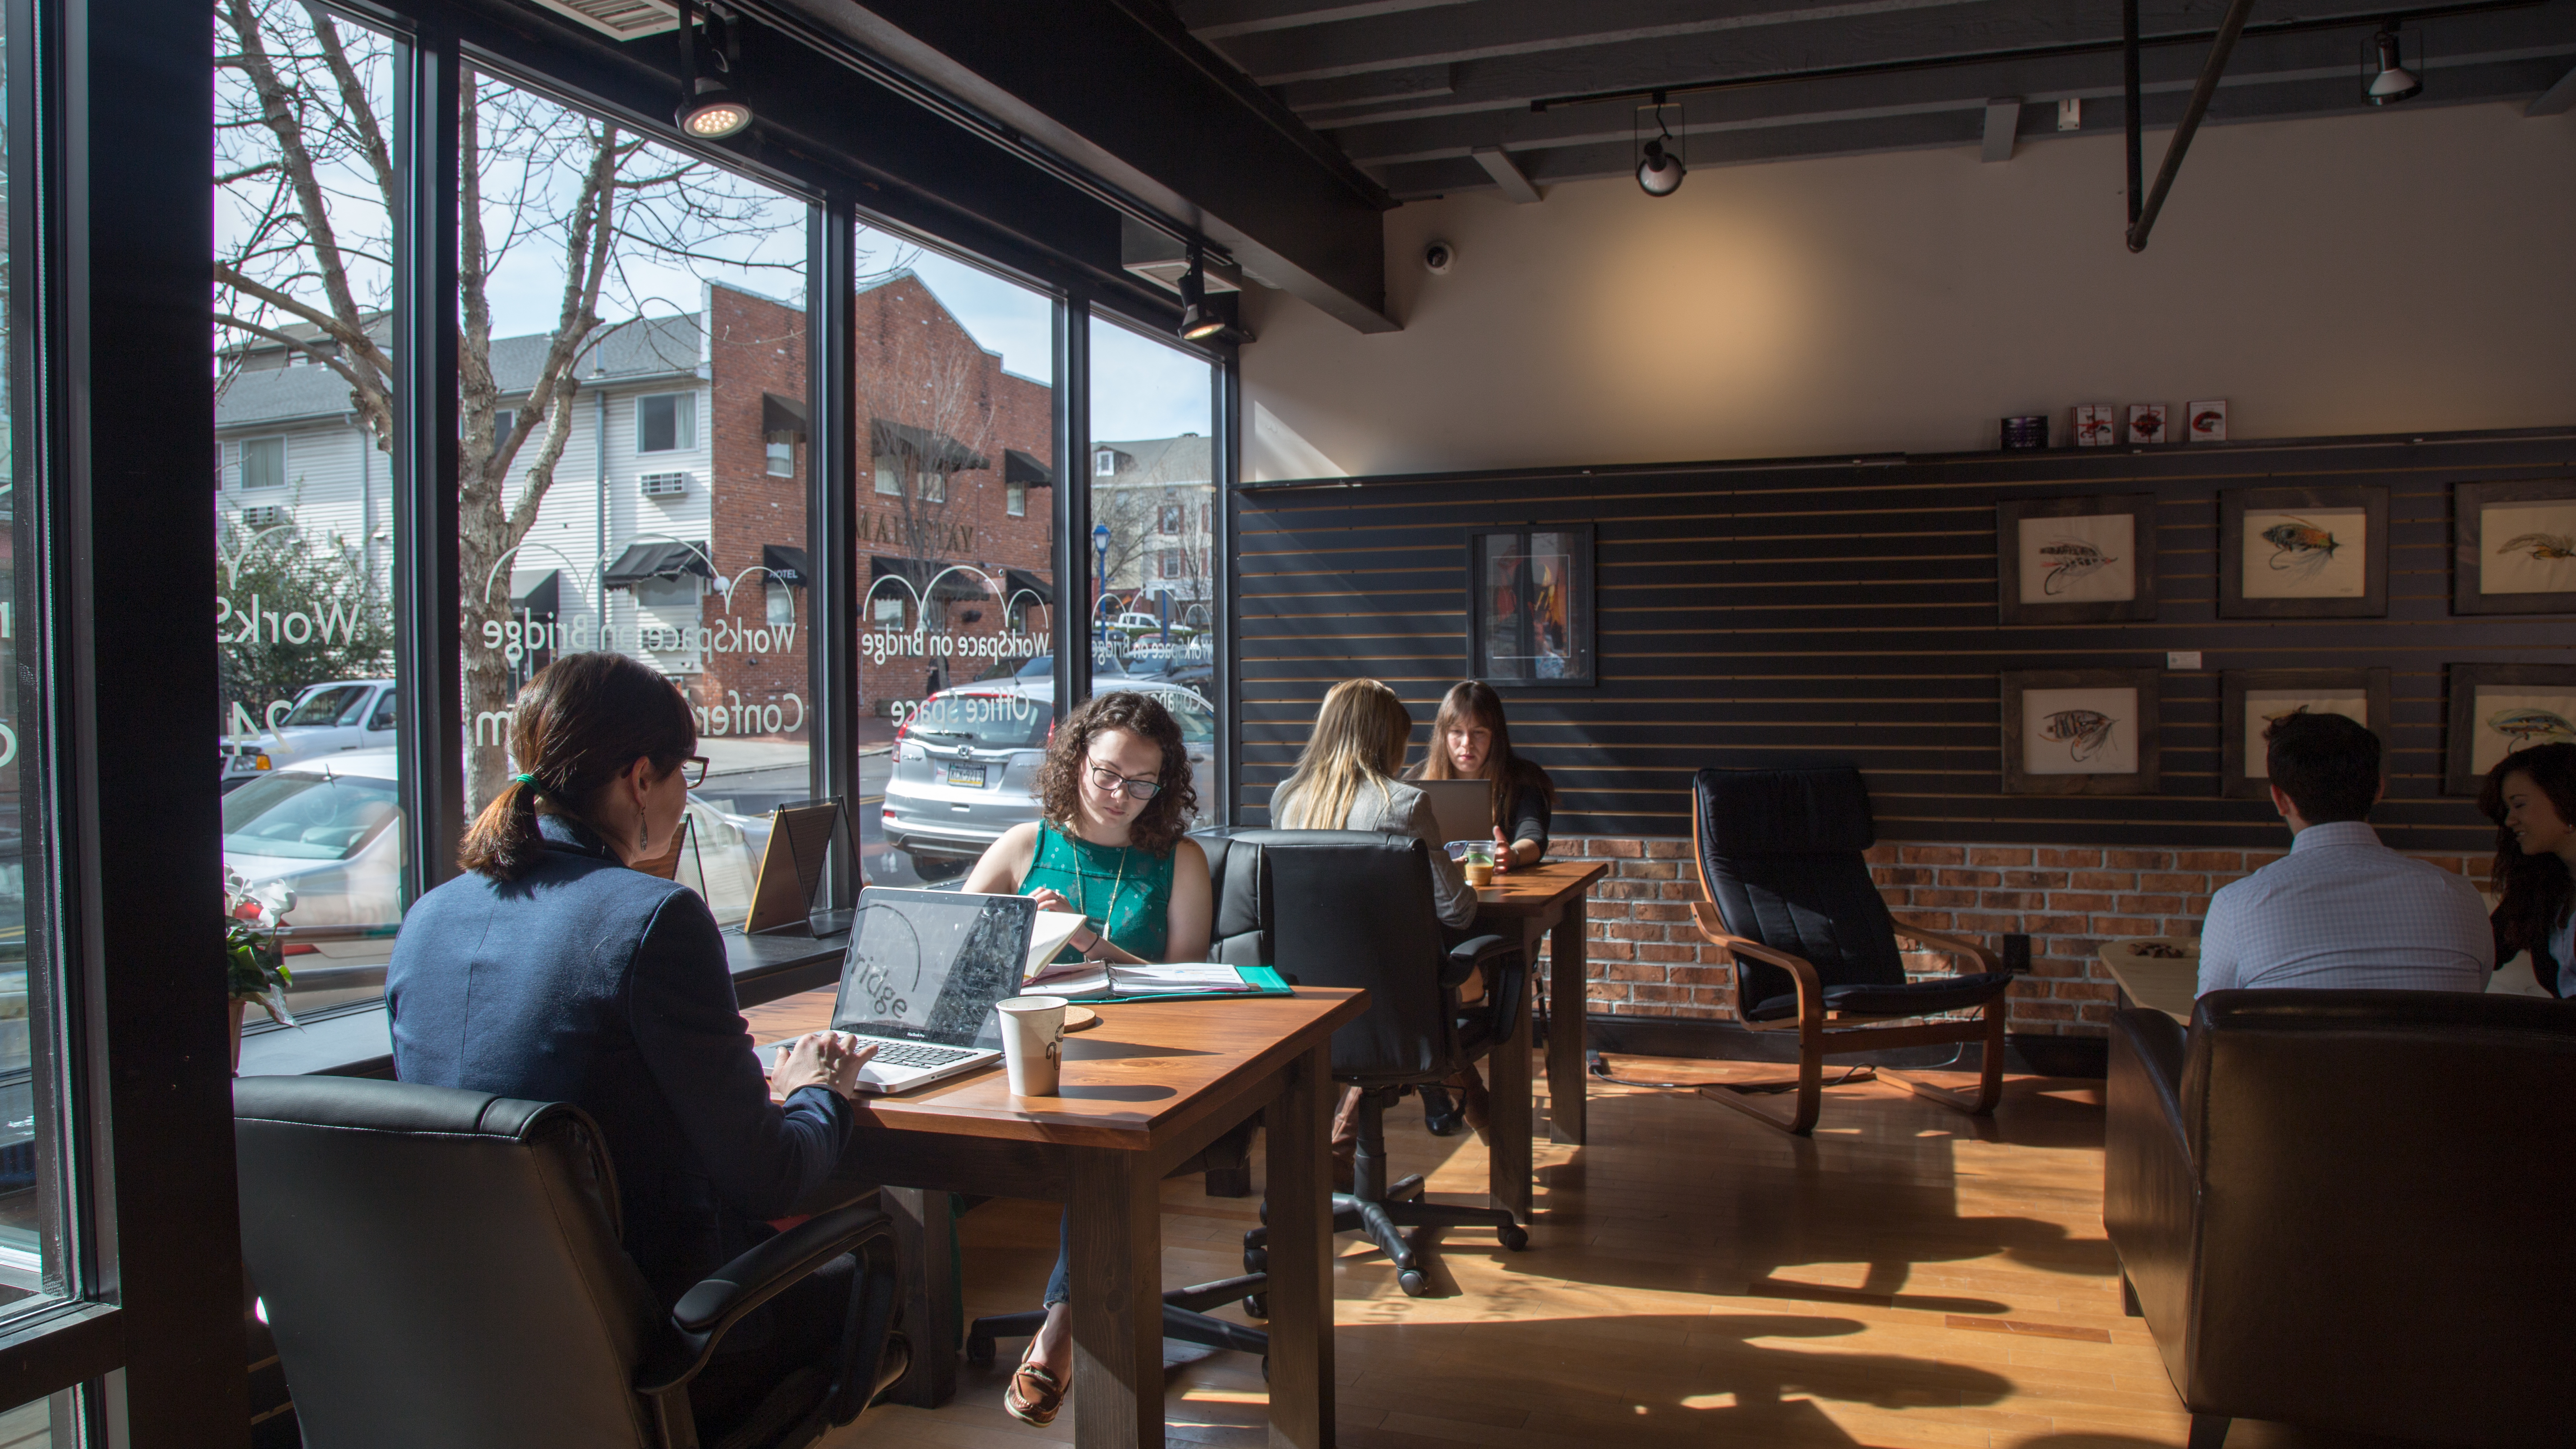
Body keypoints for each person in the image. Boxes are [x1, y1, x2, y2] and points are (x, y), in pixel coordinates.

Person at [386, 652, 874, 1436]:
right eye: (688, 772)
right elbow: (773, 1177)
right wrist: (818, 1088)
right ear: (640, 777)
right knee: (856, 1270)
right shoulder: (654, 918)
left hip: (468, 1351)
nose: (688, 796)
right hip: (657, 1351)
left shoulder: (428, 918)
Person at [960, 690, 1211, 1427]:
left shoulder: (1179, 858)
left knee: (1100, 1145)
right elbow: (957, 952)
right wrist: (1015, 933)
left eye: (1142, 783)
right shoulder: (1022, 844)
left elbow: (1188, 976)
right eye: (1106, 774)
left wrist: (1098, 948)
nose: (1119, 795)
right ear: (1075, 763)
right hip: (1026, 1047)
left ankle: (1064, 1324)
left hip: (1132, 1058)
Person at [1271, 678, 1490, 1151]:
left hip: (1305, 1007)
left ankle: (1341, 1145)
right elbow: (1457, 911)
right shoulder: (1405, 804)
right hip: (1390, 1008)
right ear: (1387, 741)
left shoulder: (1286, 799)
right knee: (1430, 995)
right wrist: (1455, 873)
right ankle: (1489, 1121)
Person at [2196, 711, 2490, 998]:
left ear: (2281, 799)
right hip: (2439, 1051)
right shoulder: (2462, 896)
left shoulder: (2236, 906)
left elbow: (2212, 1024)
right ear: (2379, 790)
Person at [1407, 679, 1557, 870]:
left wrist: (1513, 855)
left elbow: (1534, 836)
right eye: (1456, 732)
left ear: (1496, 736)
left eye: (1478, 733)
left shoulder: (1525, 779)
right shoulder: (1417, 777)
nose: (1467, 743)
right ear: (1442, 735)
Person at [2480, 741, 2576, 999]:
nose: (2510, 820)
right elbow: (2484, 951)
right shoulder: (2541, 884)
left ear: (2566, 799)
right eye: (2507, 809)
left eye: (2519, 805)